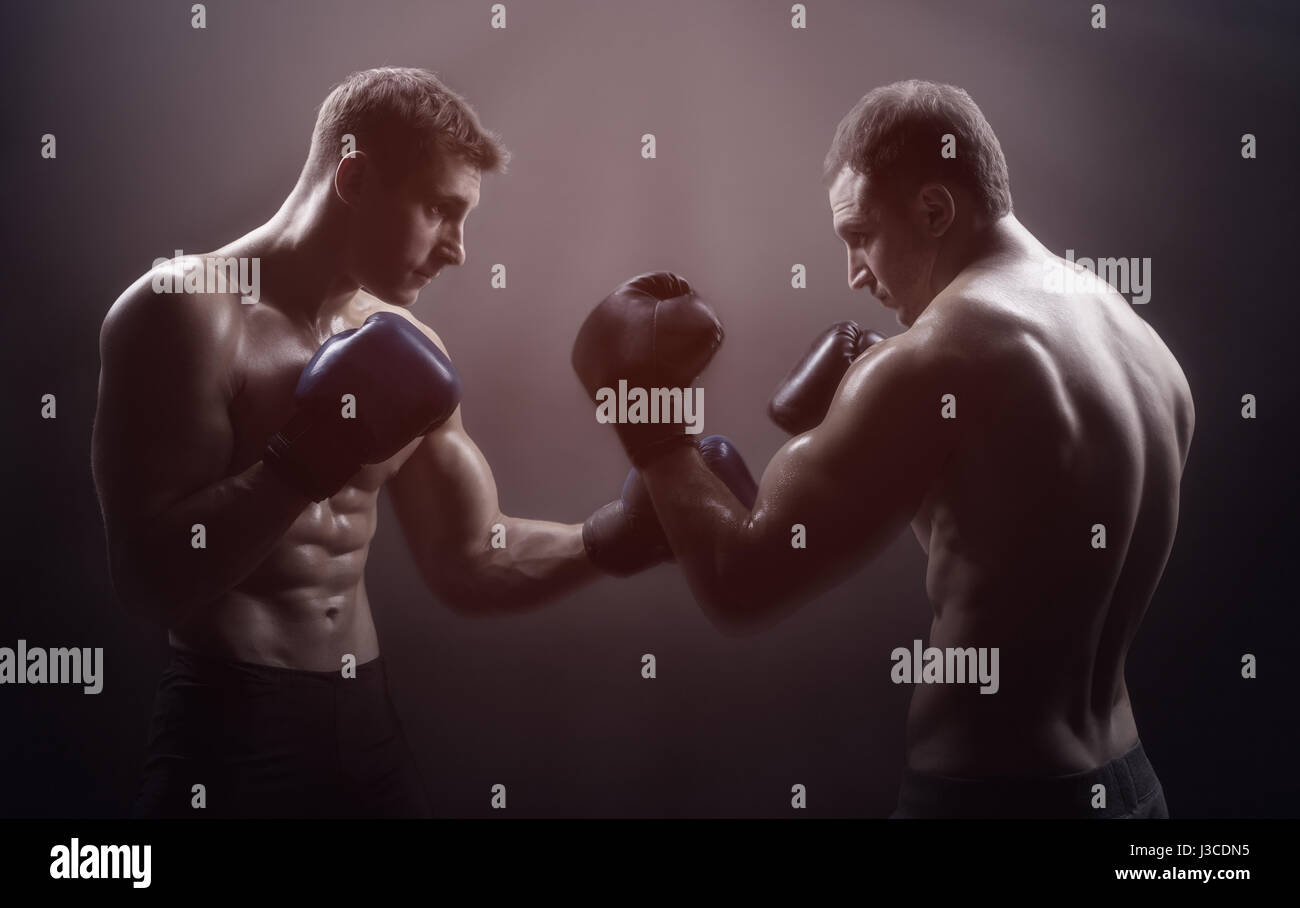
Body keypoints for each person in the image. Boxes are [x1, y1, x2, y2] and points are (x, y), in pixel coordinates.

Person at [91, 67, 744, 818]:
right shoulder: (184, 314)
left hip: (364, 720)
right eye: (440, 210)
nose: (458, 250)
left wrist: (619, 537)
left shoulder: (408, 348)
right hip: (230, 730)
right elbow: (148, 583)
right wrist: (303, 461)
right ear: (354, 175)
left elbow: (471, 559)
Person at [572, 80, 1194, 818]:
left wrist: (652, 425)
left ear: (934, 209)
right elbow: (1015, 548)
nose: (854, 272)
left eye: (859, 235)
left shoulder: (932, 358)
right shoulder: (1137, 340)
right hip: (1132, 787)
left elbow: (741, 584)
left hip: (992, 799)